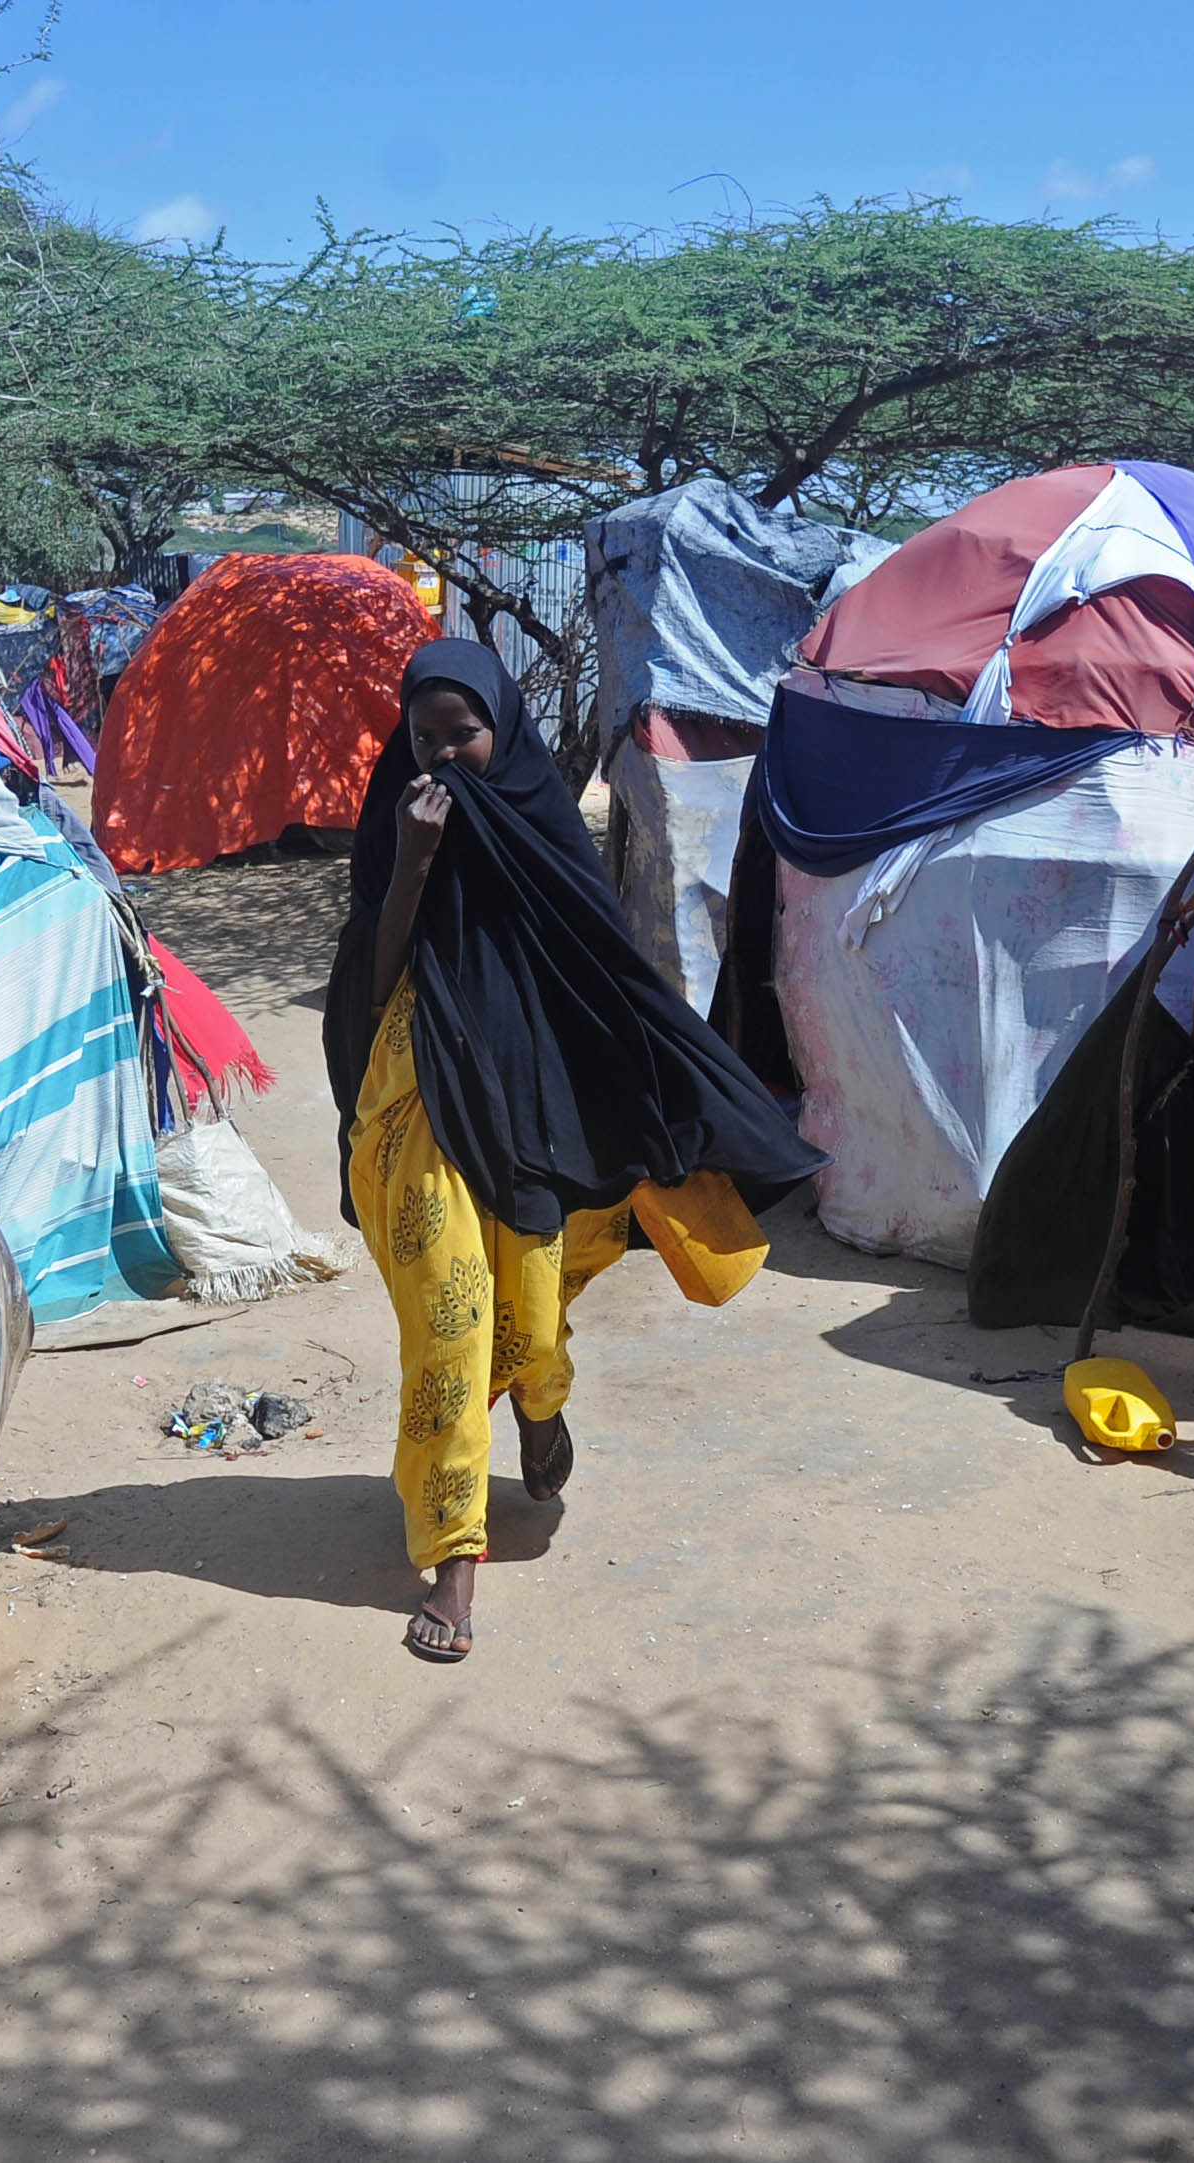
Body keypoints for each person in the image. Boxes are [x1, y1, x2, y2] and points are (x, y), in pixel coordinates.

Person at [323, 643, 824, 1661]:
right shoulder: (400, 818)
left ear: (500, 728)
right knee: (451, 1327)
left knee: (532, 1311)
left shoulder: (543, 824)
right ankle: (455, 1561)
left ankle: (542, 1406)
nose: (441, 758)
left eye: (461, 734)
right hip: (420, 1089)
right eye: (422, 738)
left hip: (531, 1103)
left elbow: (605, 977)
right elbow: (370, 981)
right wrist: (414, 865)